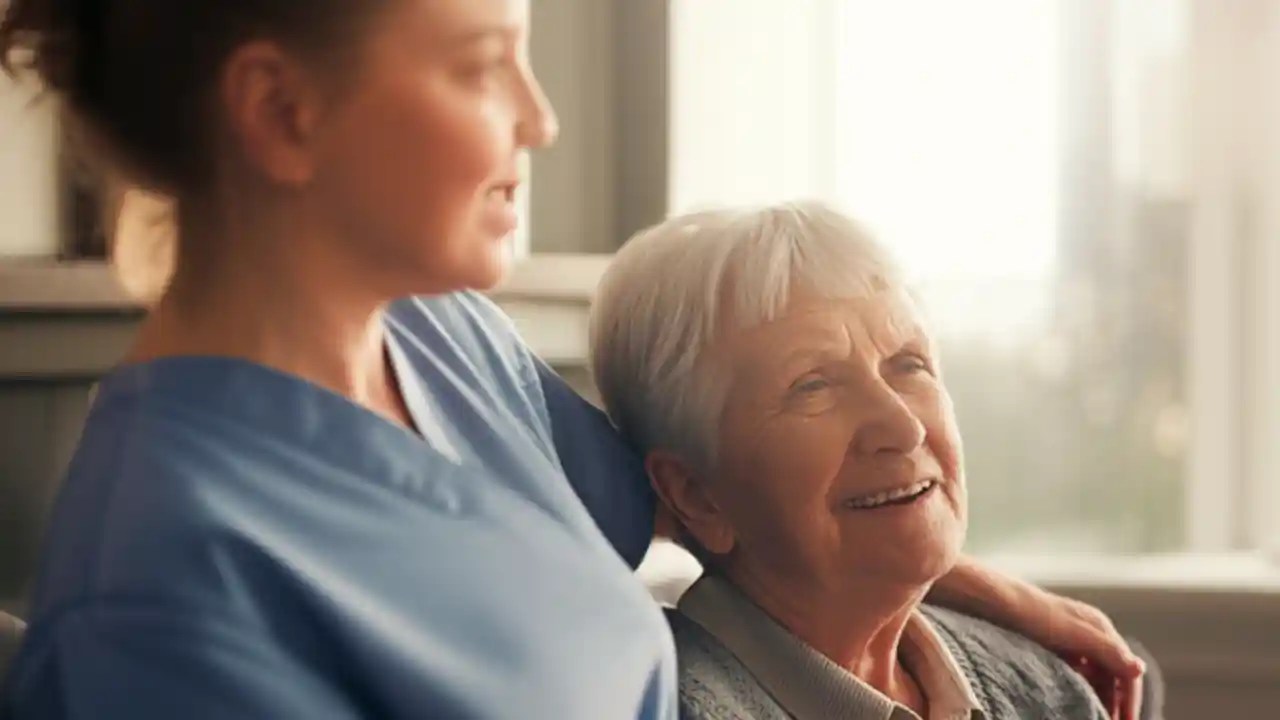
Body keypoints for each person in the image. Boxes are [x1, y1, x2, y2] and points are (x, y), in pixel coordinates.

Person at [0, 1, 1142, 717]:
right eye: (482, 64)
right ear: (282, 111)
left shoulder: (444, 343)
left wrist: (956, 578)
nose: (538, 119)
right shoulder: (166, 594)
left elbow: (720, 493)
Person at [590, 203, 1162, 719]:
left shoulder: (1047, 689)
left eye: (909, 364)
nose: (904, 426)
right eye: (813, 386)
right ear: (696, 493)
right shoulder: (658, 707)